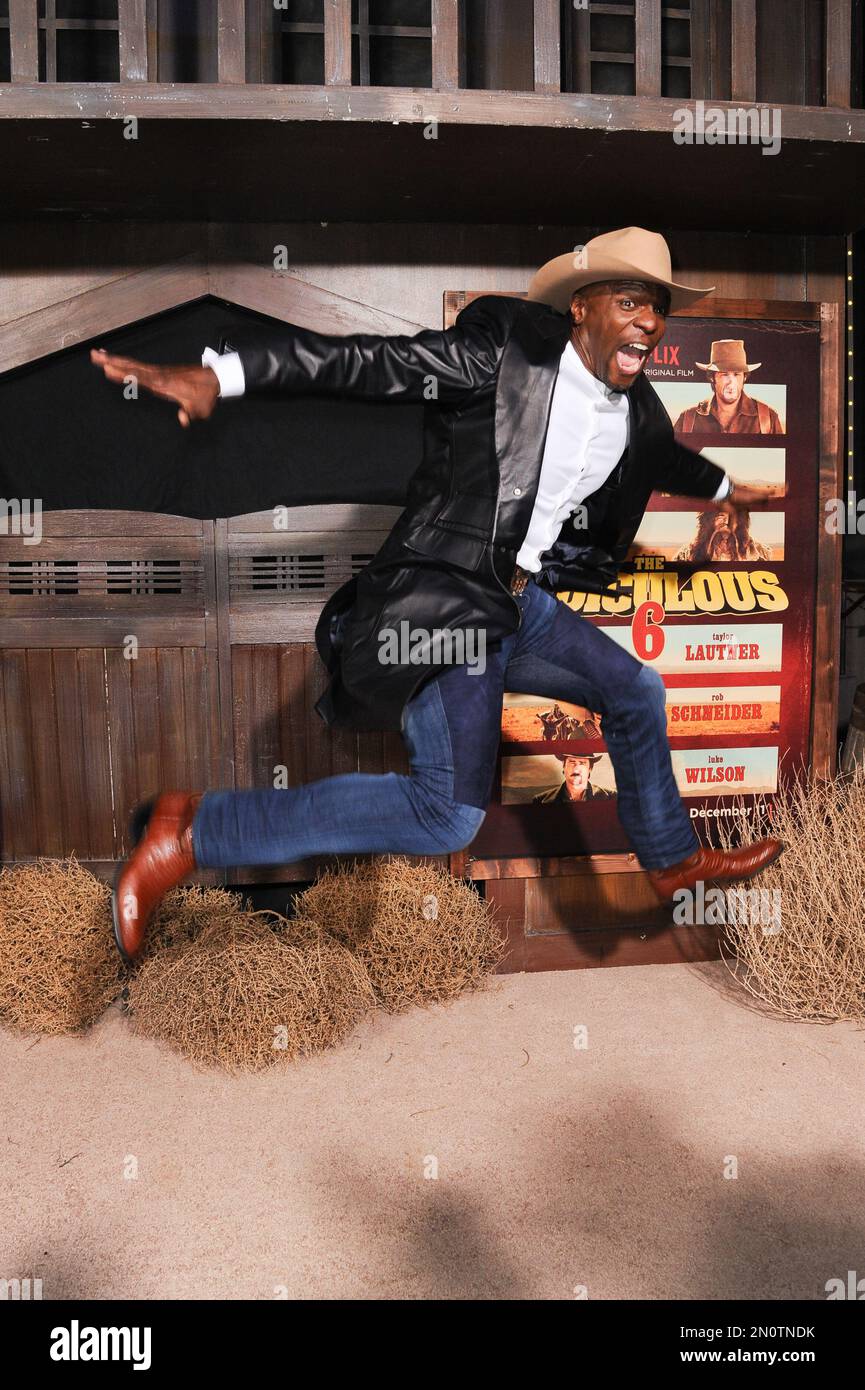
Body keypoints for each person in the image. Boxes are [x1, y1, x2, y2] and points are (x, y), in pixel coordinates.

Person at [91, 225, 785, 961]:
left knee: (636, 688)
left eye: (657, 308)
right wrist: (224, 376)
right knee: (446, 817)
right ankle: (192, 831)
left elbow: (657, 455)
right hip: (452, 601)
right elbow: (364, 364)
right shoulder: (497, 359)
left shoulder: (636, 406)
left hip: (523, 603)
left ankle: (672, 861)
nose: (648, 320)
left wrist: (724, 488)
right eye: (629, 300)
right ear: (580, 306)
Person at [674, 339, 784, 434]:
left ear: (744, 377)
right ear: (712, 378)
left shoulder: (768, 418)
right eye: (724, 375)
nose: (731, 383)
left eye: (737, 374)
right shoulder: (687, 419)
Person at [532, 752, 613, 803]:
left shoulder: (611, 797)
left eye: (582, 763)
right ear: (564, 767)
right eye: (572, 762)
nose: (576, 768)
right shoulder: (540, 800)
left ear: (590, 769)